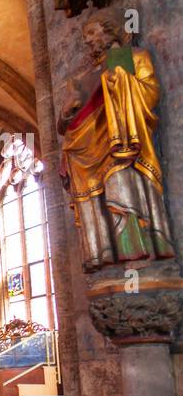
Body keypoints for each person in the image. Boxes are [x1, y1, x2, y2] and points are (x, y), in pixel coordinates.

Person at [59, 14, 175, 270]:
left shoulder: (130, 57)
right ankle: (102, 256)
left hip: (120, 140)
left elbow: (150, 91)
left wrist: (121, 80)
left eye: (92, 33)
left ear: (109, 30)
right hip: (84, 149)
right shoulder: (81, 78)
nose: (88, 41)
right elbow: (64, 123)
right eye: (85, 36)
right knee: (92, 202)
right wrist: (67, 111)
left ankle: (137, 254)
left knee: (121, 187)